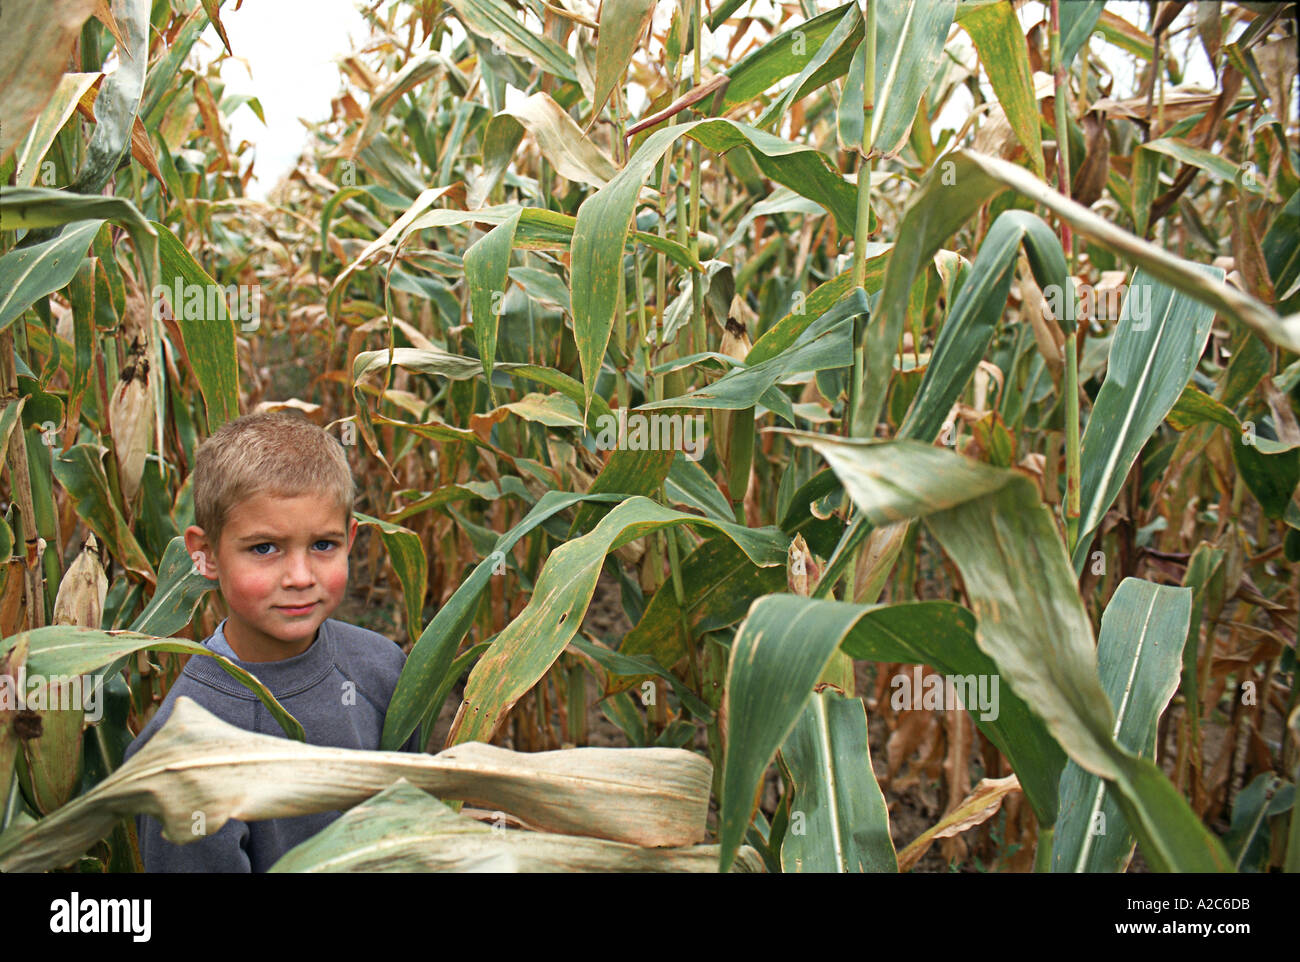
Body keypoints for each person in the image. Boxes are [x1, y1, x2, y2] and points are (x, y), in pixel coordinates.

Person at [123, 411, 423, 871]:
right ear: (204, 555)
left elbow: (413, 825)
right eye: (264, 548)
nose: (300, 577)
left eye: (323, 545)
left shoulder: (382, 668)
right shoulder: (185, 751)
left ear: (351, 538)